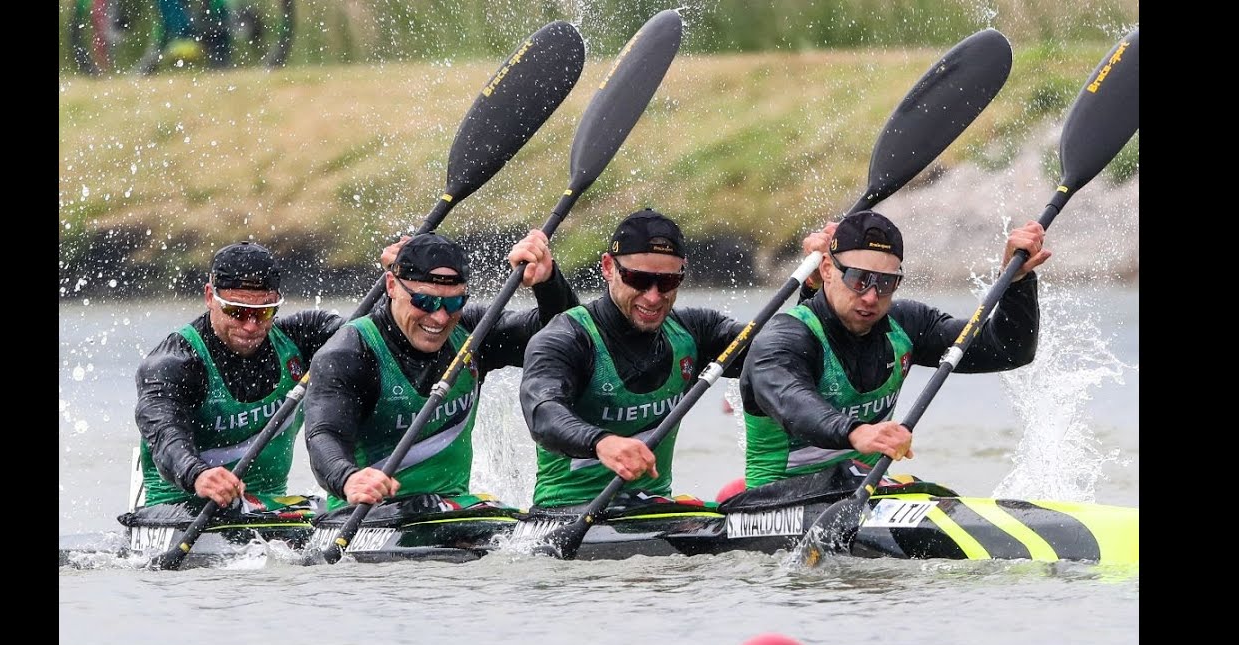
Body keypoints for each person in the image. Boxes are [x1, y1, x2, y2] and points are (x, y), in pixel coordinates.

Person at [730, 209, 1050, 506]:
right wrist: (857, 431)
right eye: (858, 279)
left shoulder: (905, 325)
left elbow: (1008, 351)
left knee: (935, 493)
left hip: (864, 492)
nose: (871, 296)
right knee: (852, 475)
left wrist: (1017, 281)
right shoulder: (782, 338)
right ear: (827, 269)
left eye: (885, 283)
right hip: (774, 502)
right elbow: (792, 403)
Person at [518, 208, 809, 513]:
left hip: (652, 508)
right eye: (638, 279)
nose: (654, 297)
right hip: (568, 510)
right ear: (608, 267)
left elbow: (785, 355)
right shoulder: (566, 337)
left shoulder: (694, 332)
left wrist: (815, 288)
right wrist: (601, 442)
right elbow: (543, 413)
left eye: (668, 282)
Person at [303, 230, 579, 513]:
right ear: (391, 285)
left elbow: (567, 341)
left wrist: (548, 282)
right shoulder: (349, 352)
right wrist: (348, 479)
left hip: (451, 510)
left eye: (453, 303)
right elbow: (324, 435)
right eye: (425, 302)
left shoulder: (472, 334)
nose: (440, 317)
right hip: (370, 512)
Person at [133, 240, 392, 511]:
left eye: (264, 312)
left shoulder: (303, 339)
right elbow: (165, 433)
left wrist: (399, 281)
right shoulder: (173, 364)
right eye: (236, 312)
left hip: (268, 507)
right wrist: (197, 474)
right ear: (210, 296)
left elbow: (376, 341)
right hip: (182, 507)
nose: (251, 326)